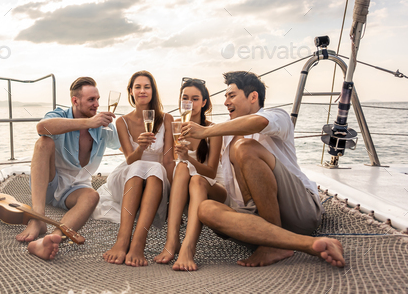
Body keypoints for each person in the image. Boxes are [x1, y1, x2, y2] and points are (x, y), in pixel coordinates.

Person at [183, 71, 345, 268]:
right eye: (225, 97)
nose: (225, 102)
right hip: (256, 221)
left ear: (253, 97)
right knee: (206, 209)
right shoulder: (225, 133)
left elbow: (257, 123)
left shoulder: (278, 116)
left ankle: (273, 242)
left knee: (244, 148)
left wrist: (206, 131)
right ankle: (303, 244)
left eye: (231, 95)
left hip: (297, 210)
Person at [15, 77, 120, 260]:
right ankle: (37, 218)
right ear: (75, 100)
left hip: (75, 190)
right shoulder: (61, 115)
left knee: (92, 196)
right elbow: (42, 127)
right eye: (91, 100)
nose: (96, 104)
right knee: (43, 142)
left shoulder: (102, 126)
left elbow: (124, 146)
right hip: (49, 183)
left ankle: (50, 238)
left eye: (97, 99)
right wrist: (88, 123)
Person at [92, 71, 174, 267]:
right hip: (129, 175)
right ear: (131, 91)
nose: (142, 91)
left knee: (155, 167)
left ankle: (138, 243)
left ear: (153, 91)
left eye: (147, 87)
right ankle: (122, 240)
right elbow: (130, 159)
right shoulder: (122, 121)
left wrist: (172, 196)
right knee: (139, 165)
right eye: (138, 87)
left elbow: (168, 160)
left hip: (156, 177)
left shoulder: (168, 119)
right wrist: (142, 147)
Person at [153, 78, 227, 271]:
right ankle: (172, 242)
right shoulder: (175, 126)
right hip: (186, 185)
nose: (190, 103)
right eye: (185, 98)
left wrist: (188, 158)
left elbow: (211, 171)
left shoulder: (213, 129)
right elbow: (168, 163)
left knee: (191, 173)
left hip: (214, 187)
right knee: (184, 169)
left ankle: (188, 247)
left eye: (195, 99)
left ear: (204, 103)